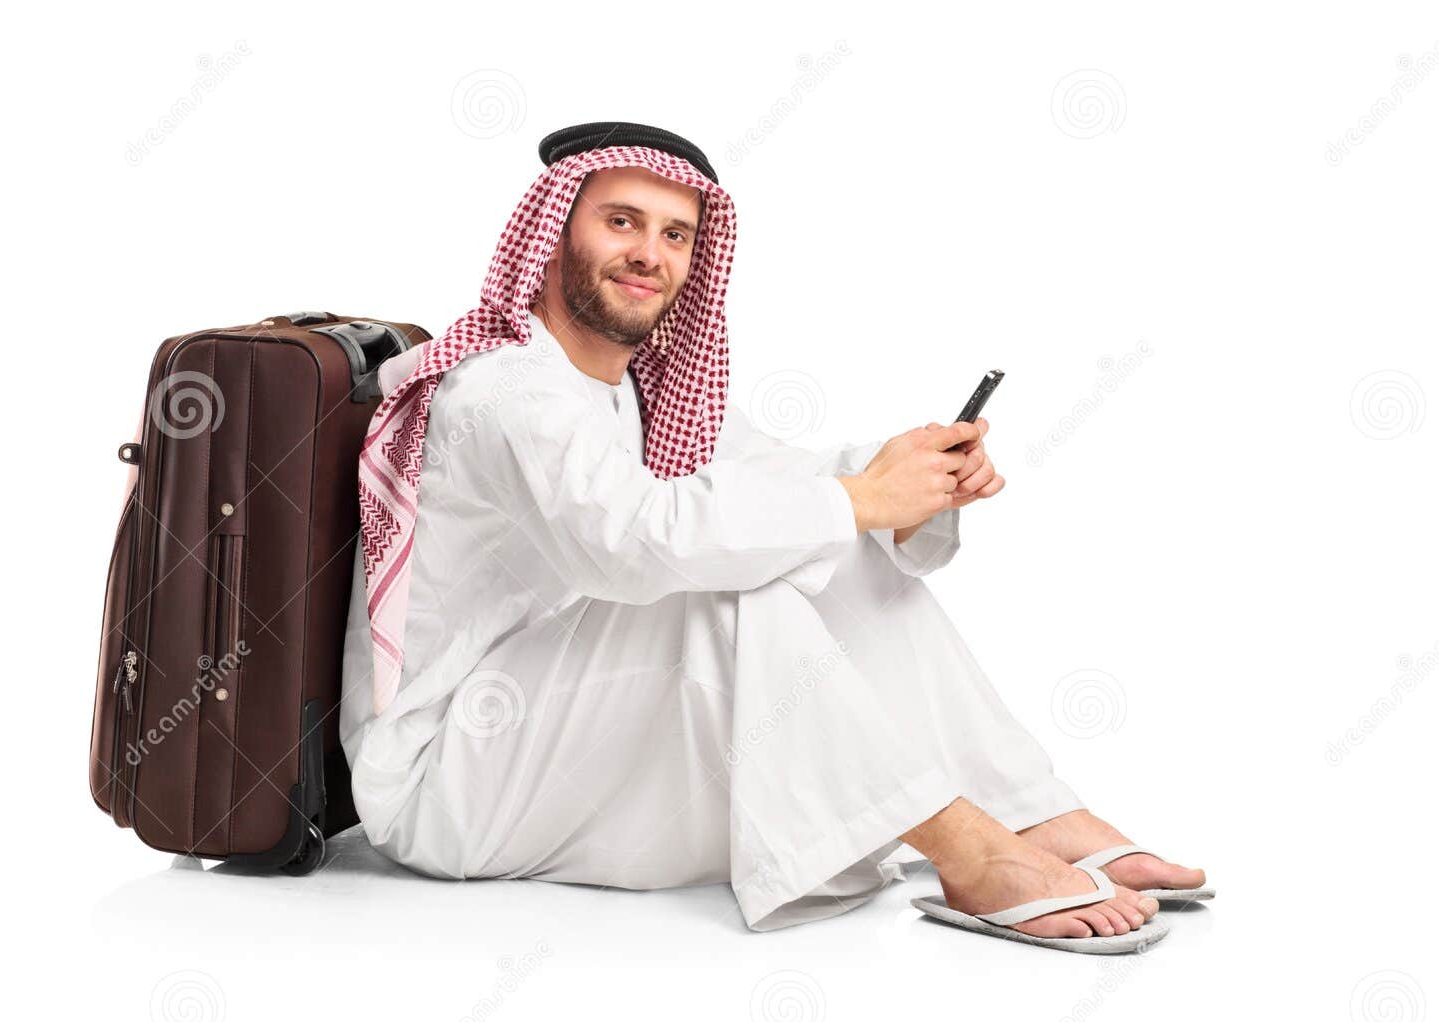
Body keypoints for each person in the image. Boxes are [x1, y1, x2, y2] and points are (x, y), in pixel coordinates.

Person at [340, 121, 1207, 948]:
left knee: (836, 550)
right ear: (556, 233)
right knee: (733, 575)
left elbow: (775, 487)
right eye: (620, 221)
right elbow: (635, 545)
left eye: (677, 235)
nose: (651, 253)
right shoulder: (505, 388)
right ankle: (966, 847)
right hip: (452, 774)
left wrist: (910, 477)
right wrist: (859, 498)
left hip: (566, 734)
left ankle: (1028, 809)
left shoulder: (647, 389)